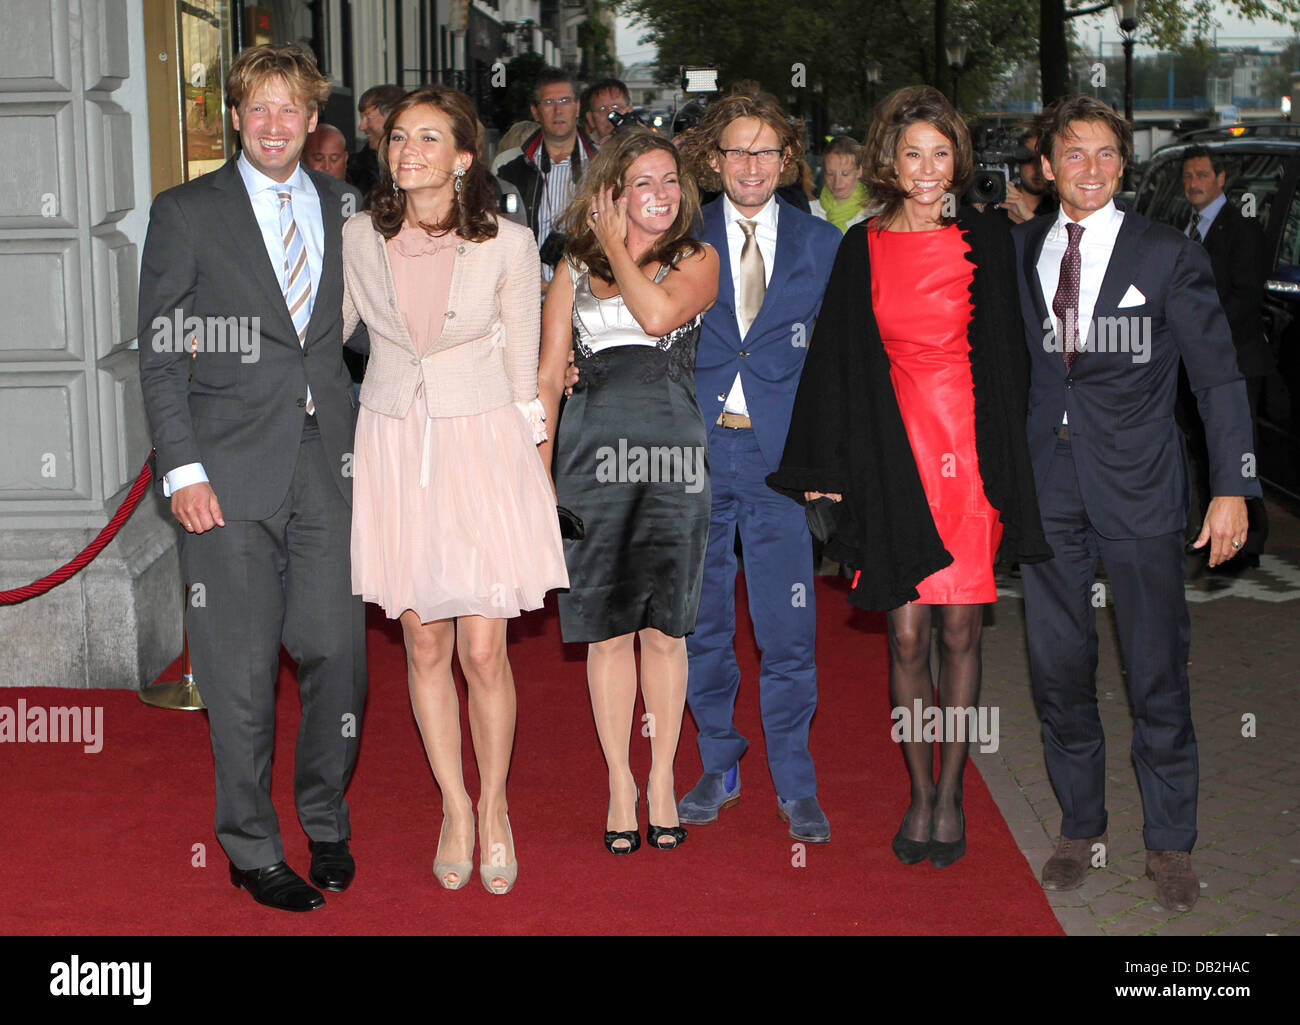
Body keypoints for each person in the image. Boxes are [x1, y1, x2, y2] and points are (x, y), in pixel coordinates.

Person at [768, 85, 1050, 867]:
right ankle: (918, 790)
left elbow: (1012, 356)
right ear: (890, 158)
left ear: (957, 158)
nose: (927, 170)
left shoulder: (987, 238)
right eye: (913, 153)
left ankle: (953, 793)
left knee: (960, 627)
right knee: (904, 632)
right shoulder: (861, 245)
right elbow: (836, 365)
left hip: (967, 457)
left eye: (941, 153)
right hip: (894, 456)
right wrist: (828, 469)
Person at [1011, 96, 1260, 911]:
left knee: (1156, 674)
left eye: (1106, 154)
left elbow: (1217, 375)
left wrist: (1233, 485)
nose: (1089, 168)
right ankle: (1081, 827)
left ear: (1123, 164)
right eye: (1072, 153)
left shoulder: (1164, 253)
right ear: (1046, 166)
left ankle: (1170, 842)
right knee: (1057, 671)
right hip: (1048, 495)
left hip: (1144, 492)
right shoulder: (1020, 252)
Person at [137, 43, 367, 913]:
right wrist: (181, 468)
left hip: (334, 469)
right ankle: (251, 843)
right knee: (236, 672)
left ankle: (326, 817)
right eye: (258, 108)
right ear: (237, 116)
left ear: (314, 122)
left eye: (291, 109)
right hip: (225, 472)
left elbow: (378, 333)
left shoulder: (349, 209)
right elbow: (159, 353)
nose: (274, 124)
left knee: (338, 656)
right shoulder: (187, 211)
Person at [343, 85, 567, 895]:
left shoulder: (508, 243)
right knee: (424, 641)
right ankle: (455, 807)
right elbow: (320, 336)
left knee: (482, 646)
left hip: (481, 446)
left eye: (429, 139)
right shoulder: (359, 239)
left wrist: (533, 460)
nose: (408, 151)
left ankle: (498, 803)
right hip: (396, 442)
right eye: (400, 137)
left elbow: (522, 371)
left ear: (464, 157)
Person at [539, 127, 719, 854]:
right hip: (589, 461)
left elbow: (654, 317)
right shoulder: (569, 270)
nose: (661, 194)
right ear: (612, 190)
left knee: (665, 628)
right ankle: (619, 779)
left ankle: (663, 778)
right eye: (642, 182)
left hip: (674, 462)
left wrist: (613, 244)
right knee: (608, 630)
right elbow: (548, 377)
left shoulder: (699, 260)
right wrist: (537, 474)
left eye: (670, 181)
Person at [672, 88, 843, 843]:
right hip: (701, 455)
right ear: (714, 159)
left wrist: (833, 459)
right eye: (737, 150)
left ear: (786, 160)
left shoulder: (822, 243)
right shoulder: (682, 236)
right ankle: (720, 761)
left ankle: (796, 778)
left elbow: (840, 364)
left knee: (788, 631)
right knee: (701, 624)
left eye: (765, 151)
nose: (751, 164)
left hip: (783, 465)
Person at [1177, 144, 1272, 569]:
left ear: (1220, 180)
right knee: (1202, 448)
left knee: (1238, 450)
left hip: (1237, 362)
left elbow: (1248, 294)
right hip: (1193, 364)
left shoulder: (1243, 227)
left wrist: (1199, 331)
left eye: (1201, 175)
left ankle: (1246, 542)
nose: (1193, 183)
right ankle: (1210, 534)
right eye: (1188, 176)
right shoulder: (1185, 227)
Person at [496, 70, 598, 287]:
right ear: (536, 111)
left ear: (577, 107)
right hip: (527, 290)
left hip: (590, 292)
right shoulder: (508, 166)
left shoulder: (604, 163)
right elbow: (495, 234)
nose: (558, 110)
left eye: (565, 101)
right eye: (549, 102)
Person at [348, 84, 404, 200]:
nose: (362, 127)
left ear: (392, 117)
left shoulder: (414, 164)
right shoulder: (355, 170)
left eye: (368, 118)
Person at [809, 135, 871, 232]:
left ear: (859, 171)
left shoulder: (876, 214)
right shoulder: (808, 212)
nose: (837, 182)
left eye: (845, 174)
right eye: (830, 174)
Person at [998, 129, 1057, 224]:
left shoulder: (1059, 209)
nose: (1038, 168)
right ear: (1018, 162)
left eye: (1044, 160)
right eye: (1029, 159)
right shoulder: (998, 201)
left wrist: (1028, 216)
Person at [584, 77, 634, 146]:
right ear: (591, 119)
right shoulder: (584, 152)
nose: (610, 115)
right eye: (602, 109)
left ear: (629, 111)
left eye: (616, 107)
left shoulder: (646, 147)